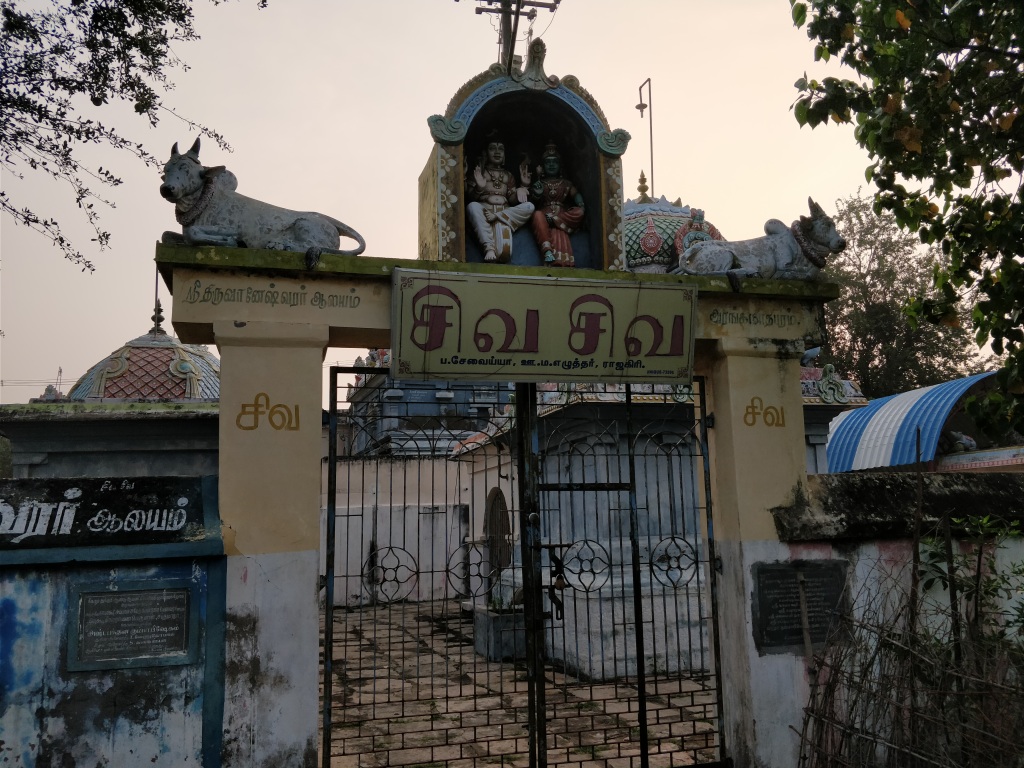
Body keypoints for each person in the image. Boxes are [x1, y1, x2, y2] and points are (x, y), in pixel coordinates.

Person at [466, 138, 534, 263]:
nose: (497, 152)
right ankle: (489, 247)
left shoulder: (508, 175)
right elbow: (471, 197)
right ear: (486, 153)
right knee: (472, 207)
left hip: (504, 211)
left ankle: (497, 216)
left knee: (529, 206)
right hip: (485, 210)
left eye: (500, 149)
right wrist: (479, 187)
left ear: (504, 155)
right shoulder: (479, 172)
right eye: (493, 148)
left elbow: (512, 200)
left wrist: (523, 187)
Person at [529, 142, 585, 267]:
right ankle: (547, 250)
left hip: (561, 216)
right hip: (544, 215)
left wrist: (581, 204)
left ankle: (554, 220)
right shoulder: (540, 183)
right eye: (548, 162)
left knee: (579, 212)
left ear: (560, 165)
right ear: (543, 166)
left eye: (555, 162)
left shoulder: (565, 183)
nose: (551, 165)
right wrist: (537, 194)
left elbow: (576, 194)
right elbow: (532, 203)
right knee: (537, 215)